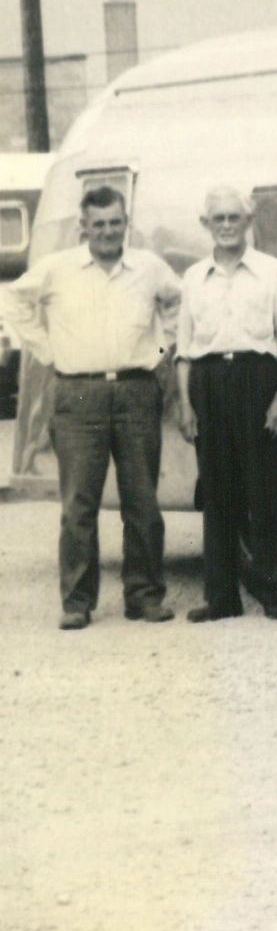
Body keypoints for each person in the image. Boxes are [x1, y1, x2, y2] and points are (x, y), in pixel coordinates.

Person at [0, 183, 184, 629]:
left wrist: (161, 352)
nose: (107, 231)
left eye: (115, 223)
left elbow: (180, 304)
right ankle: (77, 602)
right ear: (84, 227)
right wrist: (48, 352)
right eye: (98, 224)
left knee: (142, 500)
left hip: (137, 388)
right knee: (79, 503)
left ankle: (144, 596)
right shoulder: (58, 268)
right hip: (78, 391)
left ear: (126, 224)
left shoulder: (149, 267)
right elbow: (12, 299)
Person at [173, 185, 277, 622]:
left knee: (265, 489)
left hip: (259, 379)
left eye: (234, 217)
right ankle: (221, 598)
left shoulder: (273, 272)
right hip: (208, 382)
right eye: (219, 218)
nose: (227, 225)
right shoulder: (193, 278)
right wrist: (186, 405)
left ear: (248, 222)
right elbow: (184, 349)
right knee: (216, 492)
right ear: (206, 224)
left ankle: (270, 590)